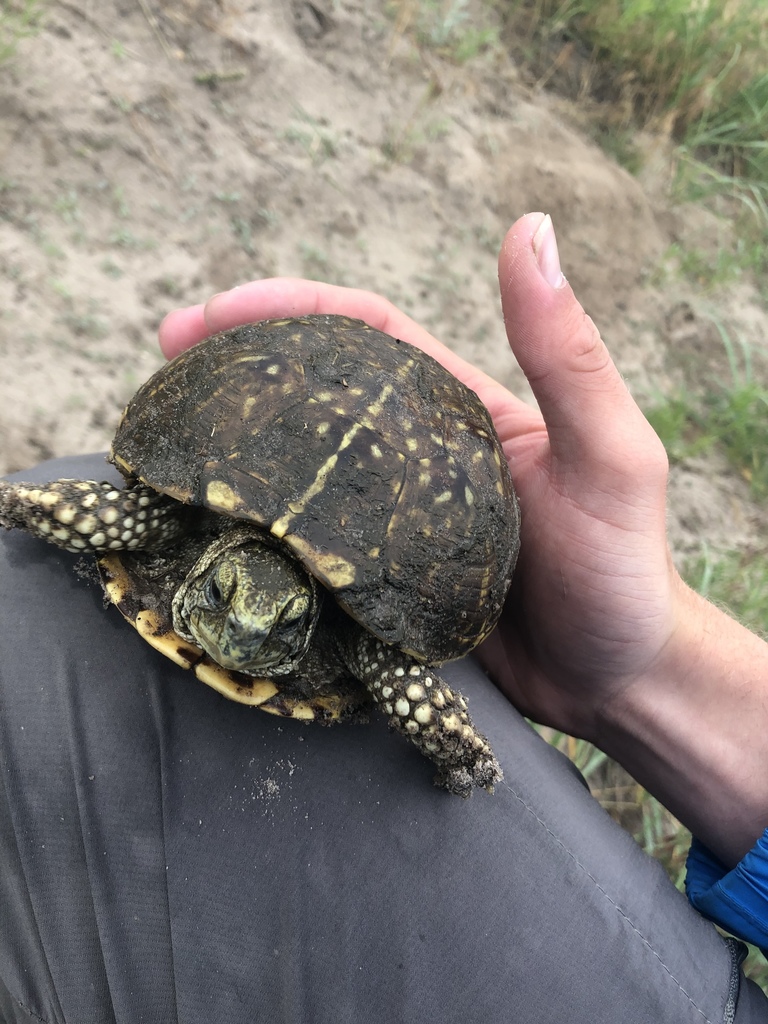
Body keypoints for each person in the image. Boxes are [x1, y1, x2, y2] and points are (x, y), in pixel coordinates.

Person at [1, 212, 766, 1022]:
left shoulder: (350, 642)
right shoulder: (175, 531)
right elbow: (132, 509)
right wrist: (648, 672)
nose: (244, 634)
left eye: (274, 626)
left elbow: (397, 670)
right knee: (71, 508)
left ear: (306, 625)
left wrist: (453, 748)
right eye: (229, 603)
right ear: (212, 571)